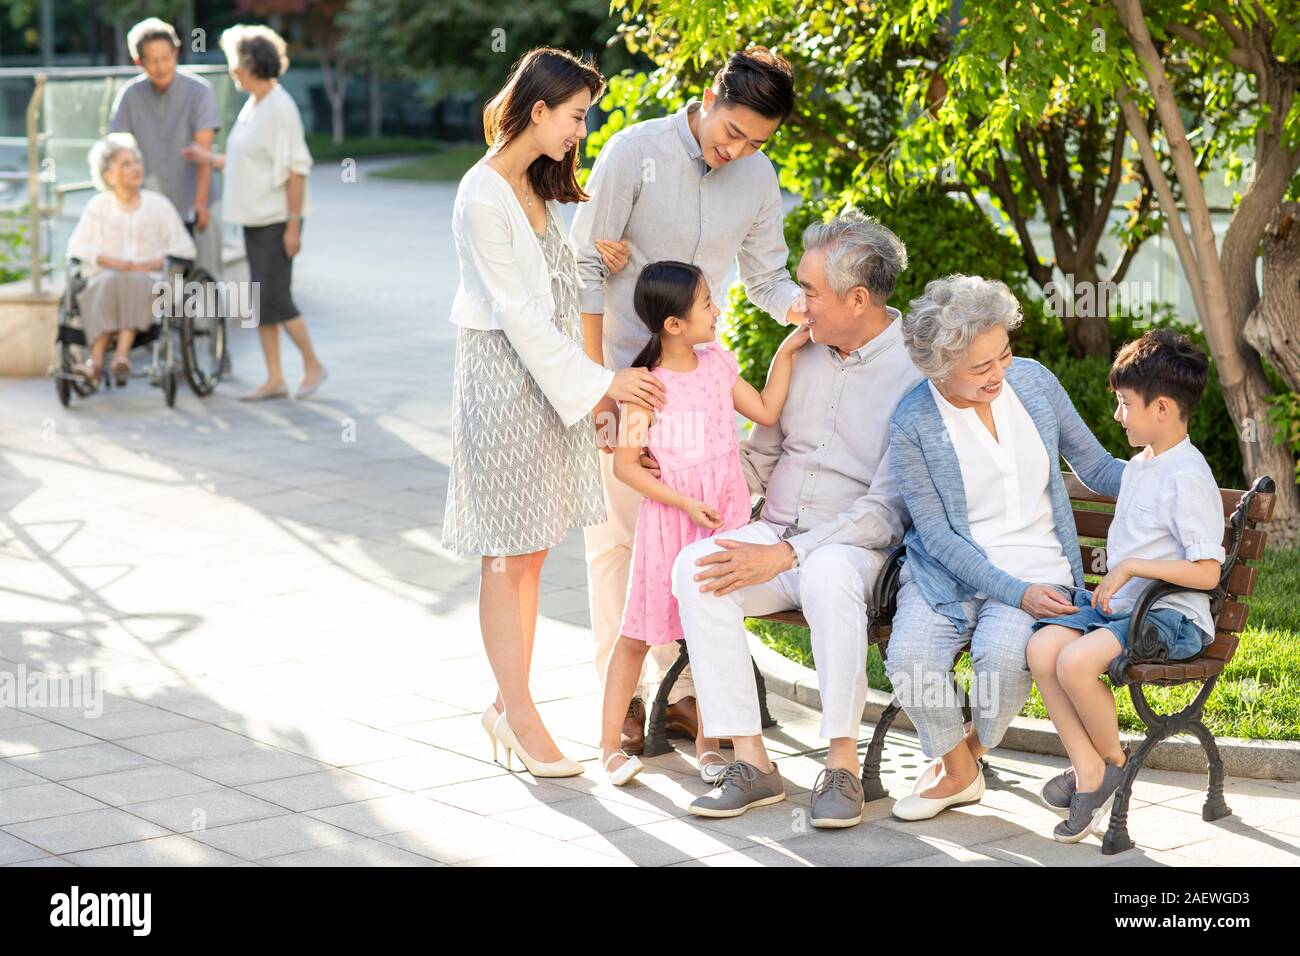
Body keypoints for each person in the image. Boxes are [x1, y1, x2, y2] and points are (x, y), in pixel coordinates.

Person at [570, 47, 806, 754]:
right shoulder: (633, 151)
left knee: (690, 542)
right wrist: (595, 386)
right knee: (619, 547)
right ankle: (628, 703)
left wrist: (817, 310)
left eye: (755, 142)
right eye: (731, 131)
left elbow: (768, 282)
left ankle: (684, 697)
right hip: (620, 375)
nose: (736, 150)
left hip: (697, 388)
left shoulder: (757, 177)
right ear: (709, 95)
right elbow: (585, 266)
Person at [440, 48, 667, 779]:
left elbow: (547, 283)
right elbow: (519, 316)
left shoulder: (532, 186)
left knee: (532, 553)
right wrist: (605, 386)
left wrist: (595, 255)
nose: (580, 132)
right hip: (505, 383)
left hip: (543, 385)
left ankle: (510, 708)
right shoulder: (481, 195)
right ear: (537, 110)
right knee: (506, 556)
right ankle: (518, 714)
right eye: (574, 117)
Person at [672, 211, 922, 826]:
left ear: (857, 298)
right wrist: (685, 481)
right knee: (695, 568)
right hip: (775, 529)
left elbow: (886, 510)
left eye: (809, 291)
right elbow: (762, 454)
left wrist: (787, 554)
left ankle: (840, 765)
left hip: (854, 549)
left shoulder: (917, 369)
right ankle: (753, 762)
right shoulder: (800, 351)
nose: (798, 303)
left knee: (828, 573)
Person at [883, 274, 1127, 823]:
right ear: (939, 367)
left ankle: (965, 759)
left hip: (1041, 567)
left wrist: (1167, 473)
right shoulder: (913, 421)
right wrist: (1014, 593)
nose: (999, 373)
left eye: (1004, 354)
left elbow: (1095, 467)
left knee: (1000, 660)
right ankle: (961, 772)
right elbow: (938, 536)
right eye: (980, 367)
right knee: (910, 657)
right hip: (950, 574)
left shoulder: (1033, 383)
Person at [600, 261, 810, 787]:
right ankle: (607, 746)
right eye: (707, 305)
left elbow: (764, 410)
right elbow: (626, 466)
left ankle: (709, 746)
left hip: (725, 517)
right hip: (671, 523)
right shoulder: (647, 386)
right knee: (638, 634)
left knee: (712, 632)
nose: (717, 311)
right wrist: (683, 502)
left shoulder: (717, 362)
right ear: (674, 324)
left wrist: (786, 351)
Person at [1026, 329, 1225, 842]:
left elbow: (1207, 573)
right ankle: (1093, 768)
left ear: (1161, 408)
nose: (1118, 415)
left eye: (1124, 404)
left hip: (1171, 619)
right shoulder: (1142, 465)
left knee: (1074, 661)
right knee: (1044, 646)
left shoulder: (1189, 475)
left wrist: (1133, 566)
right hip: (1130, 612)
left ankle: (1111, 765)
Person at [183, 24, 324, 401]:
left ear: (250, 64)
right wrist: (208, 158)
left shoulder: (280, 107)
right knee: (259, 302)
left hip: (277, 220)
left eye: (234, 62)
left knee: (276, 298)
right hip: (253, 217)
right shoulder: (254, 105)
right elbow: (250, 162)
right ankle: (274, 377)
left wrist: (293, 227)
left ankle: (312, 365)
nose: (231, 70)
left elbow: (297, 169)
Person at [65, 133, 196, 385]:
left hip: (150, 281)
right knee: (111, 281)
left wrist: (155, 263)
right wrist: (115, 263)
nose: (135, 167)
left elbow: (184, 249)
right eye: (126, 164)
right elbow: (77, 247)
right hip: (106, 280)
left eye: (136, 162)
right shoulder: (97, 206)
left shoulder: (159, 205)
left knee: (133, 281)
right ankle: (111, 358)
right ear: (108, 175)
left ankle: (100, 360)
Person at [110, 17, 224, 279]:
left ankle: (206, 321)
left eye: (166, 57)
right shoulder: (130, 96)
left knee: (205, 277)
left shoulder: (199, 92)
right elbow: (118, 149)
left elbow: (203, 153)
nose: (161, 67)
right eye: (152, 60)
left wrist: (201, 203)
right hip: (153, 204)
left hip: (197, 199)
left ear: (175, 52)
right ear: (139, 62)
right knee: (164, 285)